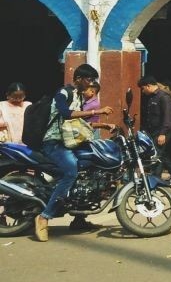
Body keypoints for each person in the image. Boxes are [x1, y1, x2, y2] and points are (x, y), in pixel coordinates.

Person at [34, 63, 112, 242]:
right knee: (71, 172)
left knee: (90, 167)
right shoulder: (64, 92)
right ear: (78, 79)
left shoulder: (78, 96)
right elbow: (66, 113)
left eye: (92, 79)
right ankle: (44, 217)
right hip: (54, 142)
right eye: (88, 79)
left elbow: (79, 123)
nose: (90, 83)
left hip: (70, 142)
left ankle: (79, 218)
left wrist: (104, 125)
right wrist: (97, 111)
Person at [138, 76, 171, 182]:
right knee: (160, 153)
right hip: (153, 130)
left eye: (143, 88)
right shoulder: (151, 97)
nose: (143, 92)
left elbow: (167, 117)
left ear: (148, 86)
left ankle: (156, 178)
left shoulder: (164, 97)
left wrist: (163, 133)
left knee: (157, 154)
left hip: (162, 131)